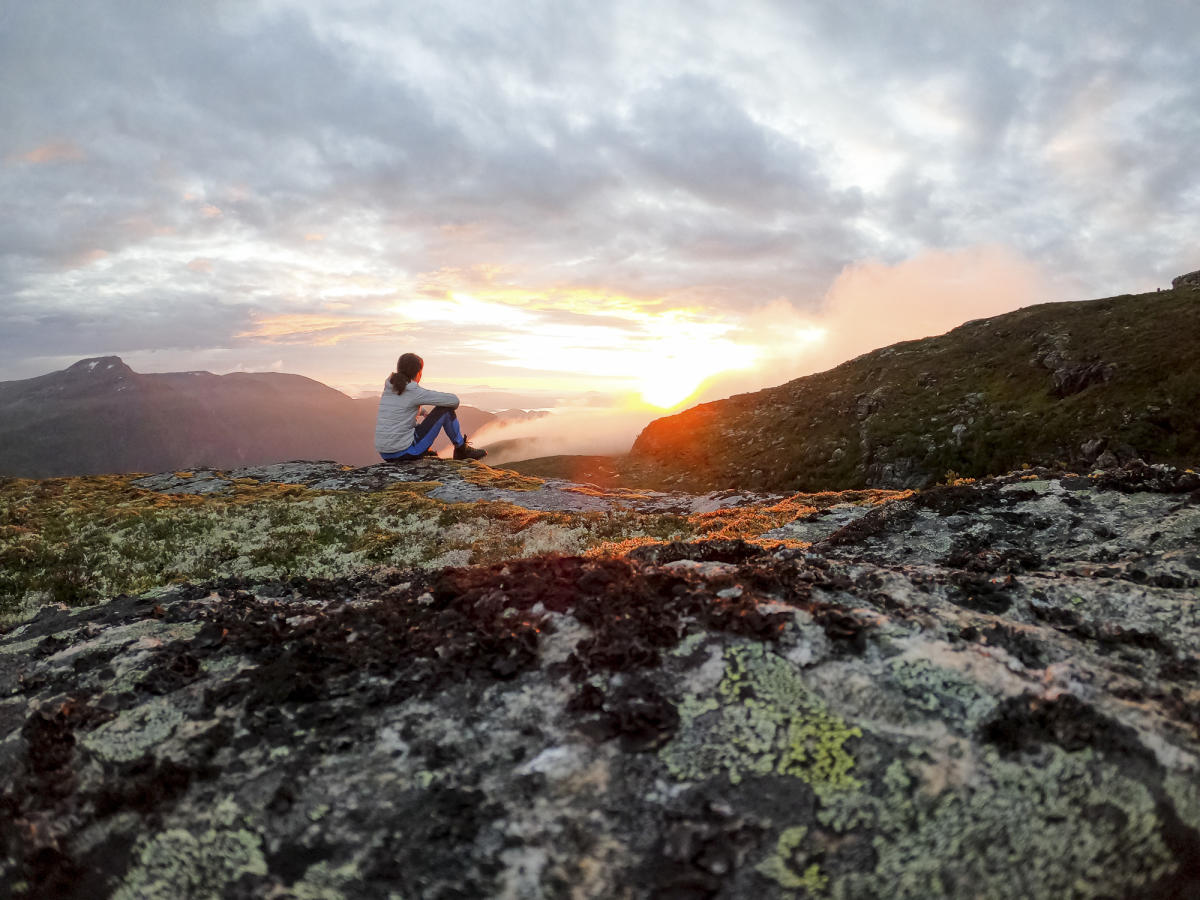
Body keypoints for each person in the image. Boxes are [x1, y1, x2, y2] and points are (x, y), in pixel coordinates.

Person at [374, 352, 487, 462]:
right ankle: (462, 449)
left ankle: (425, 449)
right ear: (418, 373)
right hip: (404, 452)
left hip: (385, 453)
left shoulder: (390, 386)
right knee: (445, 410)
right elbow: (454, 401)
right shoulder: (413, 390)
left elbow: (399, 407)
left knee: (414, 426)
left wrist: (422, 411)